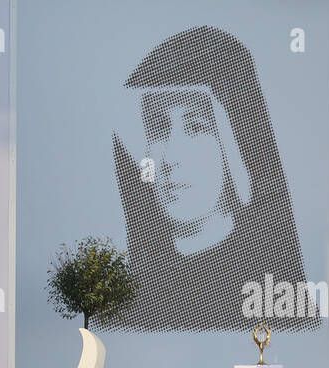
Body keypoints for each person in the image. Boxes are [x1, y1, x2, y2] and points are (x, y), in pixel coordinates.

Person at [109, 26, 309, 333]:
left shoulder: (281, 300)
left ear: (234, 144)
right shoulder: (133, 310)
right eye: (159, 128)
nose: (171, 157)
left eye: (196, 127)